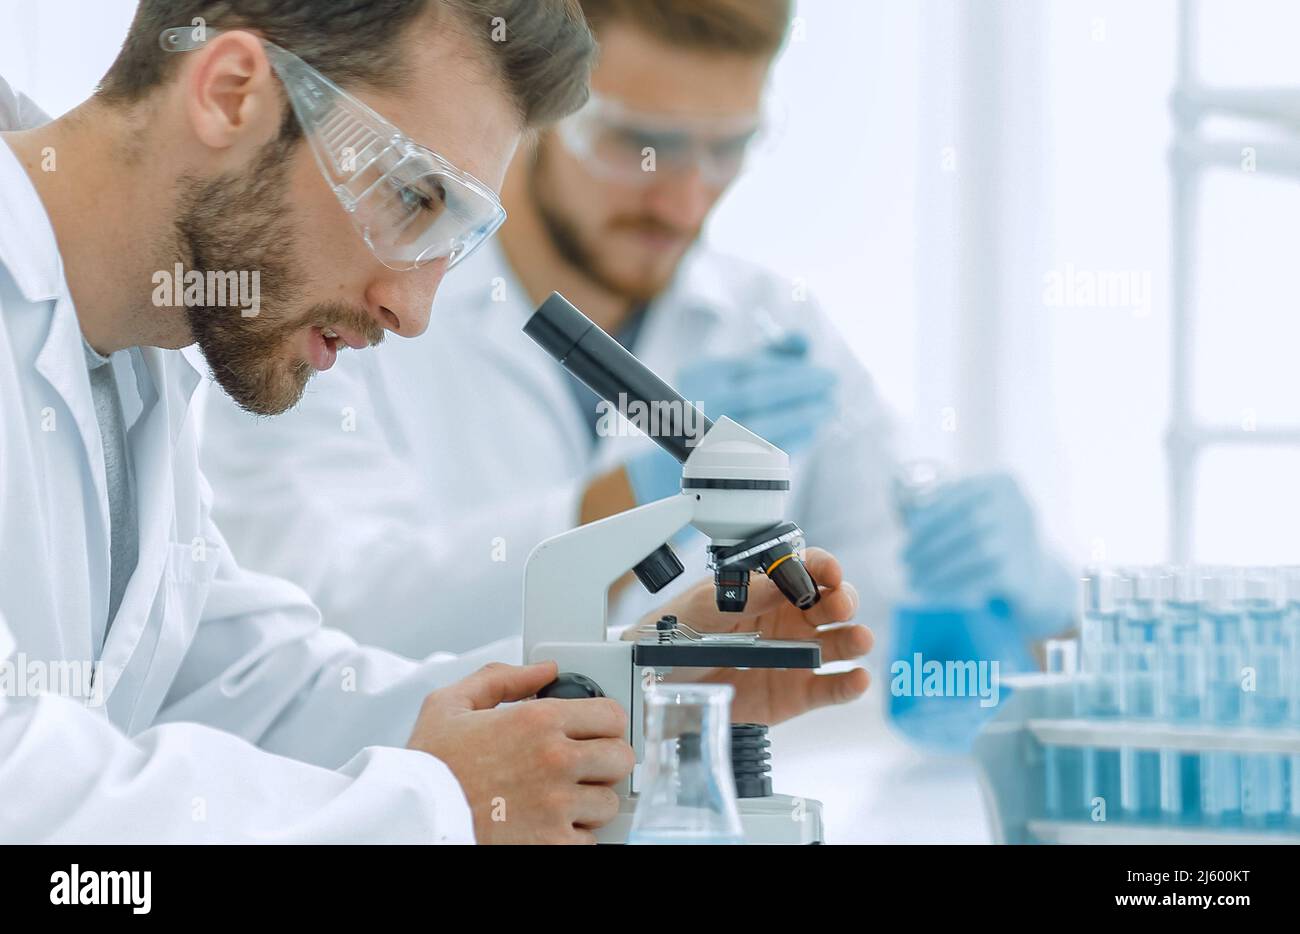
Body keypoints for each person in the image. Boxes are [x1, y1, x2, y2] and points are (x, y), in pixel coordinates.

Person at [0, 0, 871, 844]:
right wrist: (437, 810)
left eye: (452, 241)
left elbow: (253, 696)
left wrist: (617, 691)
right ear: (232, 93)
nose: (412, 310)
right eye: (409, 199)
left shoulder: (129, 358)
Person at [202, 0, 1076, 666]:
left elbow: (877, 615)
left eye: (725, 150)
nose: (684, 198)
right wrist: (638, 500)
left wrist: (1025, 591)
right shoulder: (354, 298)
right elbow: (332, 613)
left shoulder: (770, 331)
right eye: (638, 143)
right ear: (535, 112)